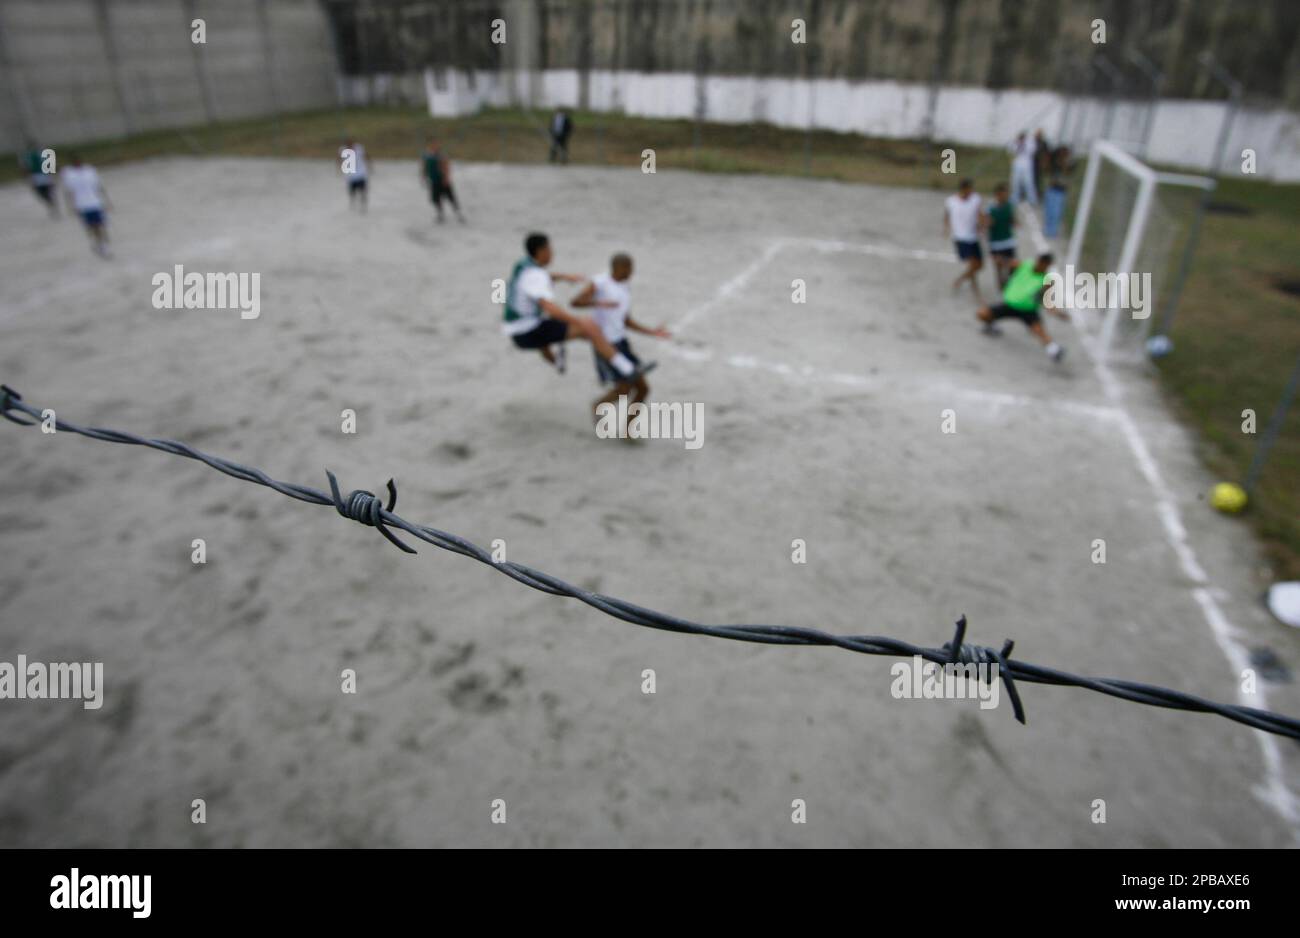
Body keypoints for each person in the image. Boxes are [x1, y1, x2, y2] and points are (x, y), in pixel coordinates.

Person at [503, 233, 646, 384]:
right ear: (541, 251)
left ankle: (557, 361)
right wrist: (577, 321)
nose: (552, 252)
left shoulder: (523, 264)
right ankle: (627, 369)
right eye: (550, 249)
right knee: (590, 327)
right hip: (527, 331)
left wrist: (565, 277)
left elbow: (544, 277)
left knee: (578, 332)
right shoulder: (535, 276)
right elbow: (550, 307)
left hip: (516, 328)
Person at [570, 253, 670, 424]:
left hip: (622, 343)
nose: (632, 272)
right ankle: (599, 405)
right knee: (624, 388)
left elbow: (625, 320)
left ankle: (628, 428)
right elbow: (575, 302)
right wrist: (598, 303)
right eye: (629, 268)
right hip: (605, 345)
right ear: (618, 268)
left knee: (643, 389)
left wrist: (652, 332)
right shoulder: (599, 283)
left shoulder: (625, 287)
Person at [975, 253, 1069, 362]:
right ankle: (991, 326)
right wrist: (1001, 266)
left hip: (1028, 310)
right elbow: (1006, 262)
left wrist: (1056, 312)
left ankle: (1054, 350)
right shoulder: (1024, 265)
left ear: (1048, 265)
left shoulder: (1047, 280)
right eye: (1041, 263)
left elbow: (1045, 300)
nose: (1042, 266)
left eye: (1045, 265)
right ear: (1038, 260)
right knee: (981, 314)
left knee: (1039, 331)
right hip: (1009, 305)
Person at [61, 155, 110, 257]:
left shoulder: (89, 171)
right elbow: (69, 192)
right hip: (82, 205)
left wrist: (106, 200)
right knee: (91, 227)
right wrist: (71, 206)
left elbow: (98, 186)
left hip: (95, 203)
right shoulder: (69, 174)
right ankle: (98, 244)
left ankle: (102, 245)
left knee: (100, 225)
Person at [944, 178, 984, 301]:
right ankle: (974, 288)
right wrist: (946, 228)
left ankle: (960, 281)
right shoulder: (951, 201)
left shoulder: (975, 199)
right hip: (961, 238)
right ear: (963, 189)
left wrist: (981, 224)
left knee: (979, 265)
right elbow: (947, 215)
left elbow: (979, 214)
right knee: (973, 264)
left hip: (973, 237)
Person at [421, 137, 464, 223]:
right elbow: (424, 167)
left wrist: (446, 178)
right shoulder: (426, 155)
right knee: (435, 198)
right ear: (429, 145)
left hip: (442, 179)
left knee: (450, 197)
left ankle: (458, 214)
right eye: (433, 144)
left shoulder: (441, 155)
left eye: (437, 144)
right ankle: (440, 214)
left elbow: (446, 167)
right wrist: (423, 176)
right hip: (434, 180)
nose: (435, 146)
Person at [984, 183, 1017, 288]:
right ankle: (1001, 286)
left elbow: (1013, 221)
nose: (1006, 196)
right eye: (1004, 194)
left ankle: (1010, 285)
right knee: (998, 268)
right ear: (997, 195)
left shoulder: (1009, 206)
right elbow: (987, 224)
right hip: (996, 243)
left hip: (1008, 241)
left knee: (1012, 266)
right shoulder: (991, 209)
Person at [19, 141, 57, 218]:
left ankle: (50, 203)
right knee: (44, 192)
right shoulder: (29, 155)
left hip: (40, 175)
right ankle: (50, 202)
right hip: (39, 176)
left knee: (42, 192)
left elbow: (26, 168)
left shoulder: (31, 155)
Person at [1042, 146, 1073, 239]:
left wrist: (1064, 163)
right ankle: (1047, 228)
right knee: (1049, 210)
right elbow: (1046, 168)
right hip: (1051, 189)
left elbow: (1067, 171)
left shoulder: (1070, 164)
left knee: (1056, 212)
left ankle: (1053, 231)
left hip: (1060, 191)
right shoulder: (1054, 163)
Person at [340, 138, 369, 213]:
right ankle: (353, 203)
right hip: (350, 176)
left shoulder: (359, 148)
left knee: (363, 191)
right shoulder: (343, 150)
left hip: (361, 174)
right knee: (352, 192)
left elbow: (366, 156)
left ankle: (363, 206)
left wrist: (369, 166)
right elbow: (339, 159)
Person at [1008, 131, 1038, 206]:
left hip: (1027, 164)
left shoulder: (1030, 142)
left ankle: (1032, 199)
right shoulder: (1016, 142)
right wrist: (1015, 142)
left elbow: (1032, 150)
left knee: (1028, 182)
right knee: (1015, 182)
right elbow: (1010, 150)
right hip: (1017, 163)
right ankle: (1015, 198)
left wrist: (1023, 144)